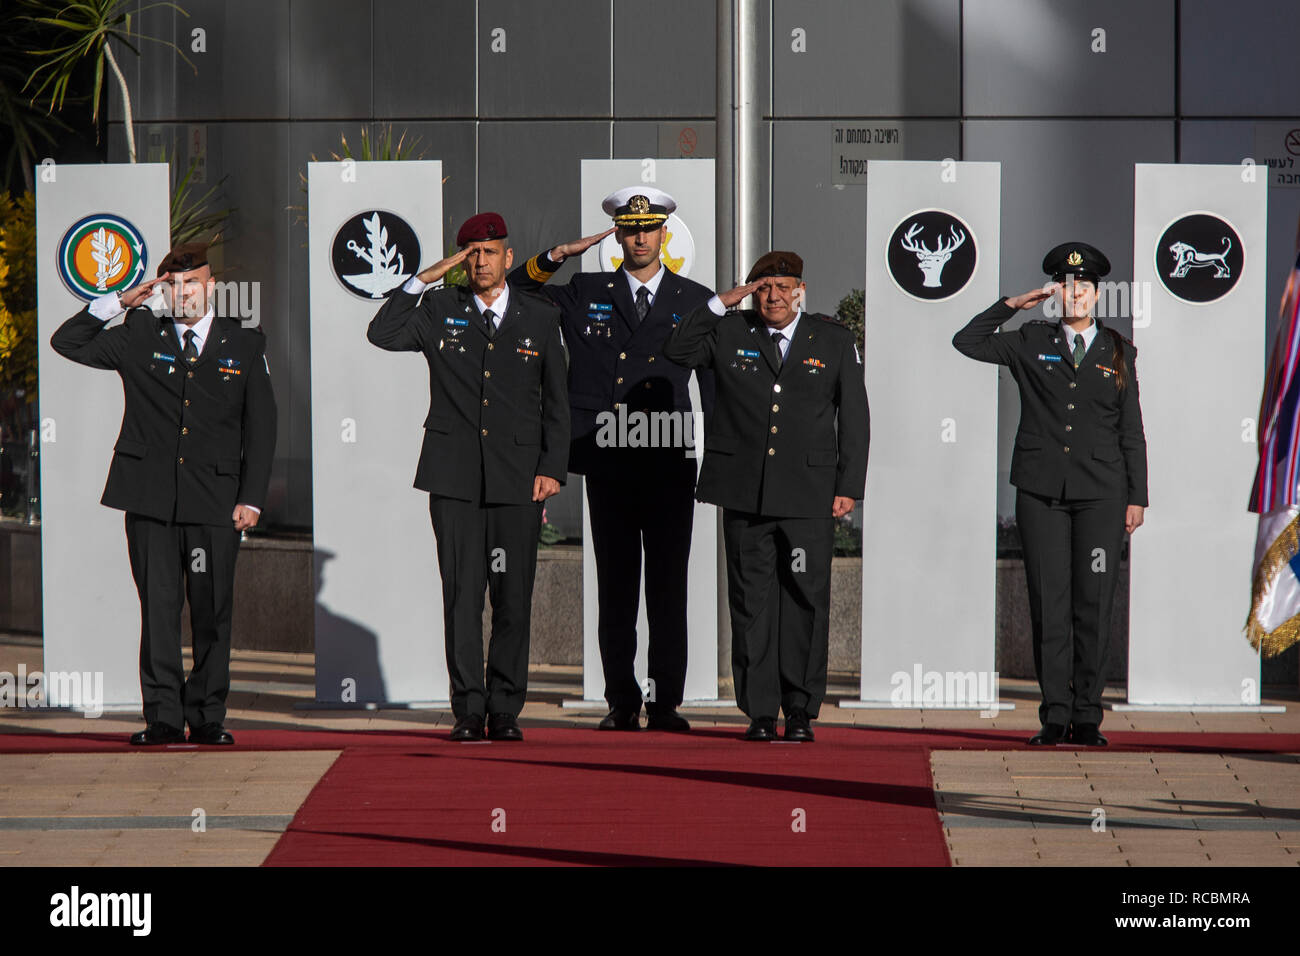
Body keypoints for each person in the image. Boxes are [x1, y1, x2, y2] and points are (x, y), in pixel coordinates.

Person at [51, 241, 277, 746]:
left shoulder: (245, 344)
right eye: (171, 286)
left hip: (216, 500)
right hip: (151, 499)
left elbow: (261, 429)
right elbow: (67, 342)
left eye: (191, 283)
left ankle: (209, 715)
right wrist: (120, 302)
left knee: (211, 608)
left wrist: (252, 497)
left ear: (211, 286)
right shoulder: (138, 335)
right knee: (157, 607)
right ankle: (163, 717)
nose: (181, 293)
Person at [508, 187, 714, 732]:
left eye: (649, 228)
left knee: (668, 586)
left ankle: (666, 700)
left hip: (668, 458)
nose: (640, 236)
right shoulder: (584, 290)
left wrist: (719, 459)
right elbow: (513, 292)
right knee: (616, 587)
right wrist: (556, 255)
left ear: (664, 234)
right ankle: (621, 699)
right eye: (630, 228)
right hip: (609, 459)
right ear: (617, 236)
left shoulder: (695, 299)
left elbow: (715, 385)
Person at [367, 212, 569, 742]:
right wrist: (424, 278)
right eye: (471, 253)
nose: (481, 261)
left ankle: (505, 708)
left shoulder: (540, 317)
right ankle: (467, 710)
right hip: (454, 478)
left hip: (518, 479)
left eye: (490, 251)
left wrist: (551, 468)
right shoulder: (438, 309)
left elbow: (557, 402)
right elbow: (381, 332)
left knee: (512, 595)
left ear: (508, 256)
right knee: (461, 596)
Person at [664, 252, 869, 742]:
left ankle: (799, 709)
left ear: (800, 289)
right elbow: (676, 350)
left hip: (807, 495)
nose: (772, 296)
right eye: (763, 287)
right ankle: (759, 711)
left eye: (782, 286)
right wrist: (721, 302)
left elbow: (855, 417)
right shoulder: (730, 331)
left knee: (804, 599)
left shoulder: (834, 340)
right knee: (751, 602)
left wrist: (848, 486)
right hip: (745, 492)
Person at [952, 241, 1148, 747]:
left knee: (1094, 602)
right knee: (1049, 603)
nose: (1075, 293)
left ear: (1098, 294)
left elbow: (1131, 430)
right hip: (1041, 493)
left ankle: (1087, 716)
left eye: (1083, 286)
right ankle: (1054, 716)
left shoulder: (1119, 350)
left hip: (1102, 496)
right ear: (1054, 292)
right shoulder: (1028, 340)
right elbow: (965, 341)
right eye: (1065, 285)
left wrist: (1137, 497)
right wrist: (1010, 306)